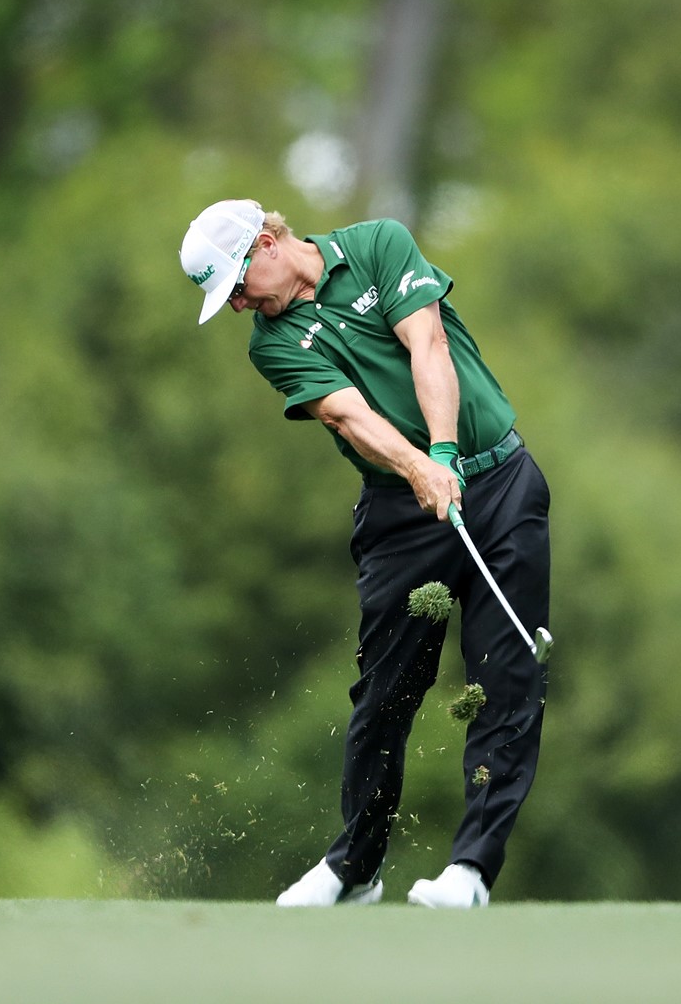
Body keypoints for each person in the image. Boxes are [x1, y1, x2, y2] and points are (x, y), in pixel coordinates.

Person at [177, 198, 552, 909]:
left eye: (236, 286)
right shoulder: (271, 343)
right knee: (386, 694)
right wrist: (420, 470)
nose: (236, 307)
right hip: (400, 514)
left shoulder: (379, 245)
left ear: (267, 244)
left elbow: (428, 346)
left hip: (500, 484)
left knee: (504, 681)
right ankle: (357, 867)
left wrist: (444, 453)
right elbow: (350, 415)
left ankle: (470, 870)